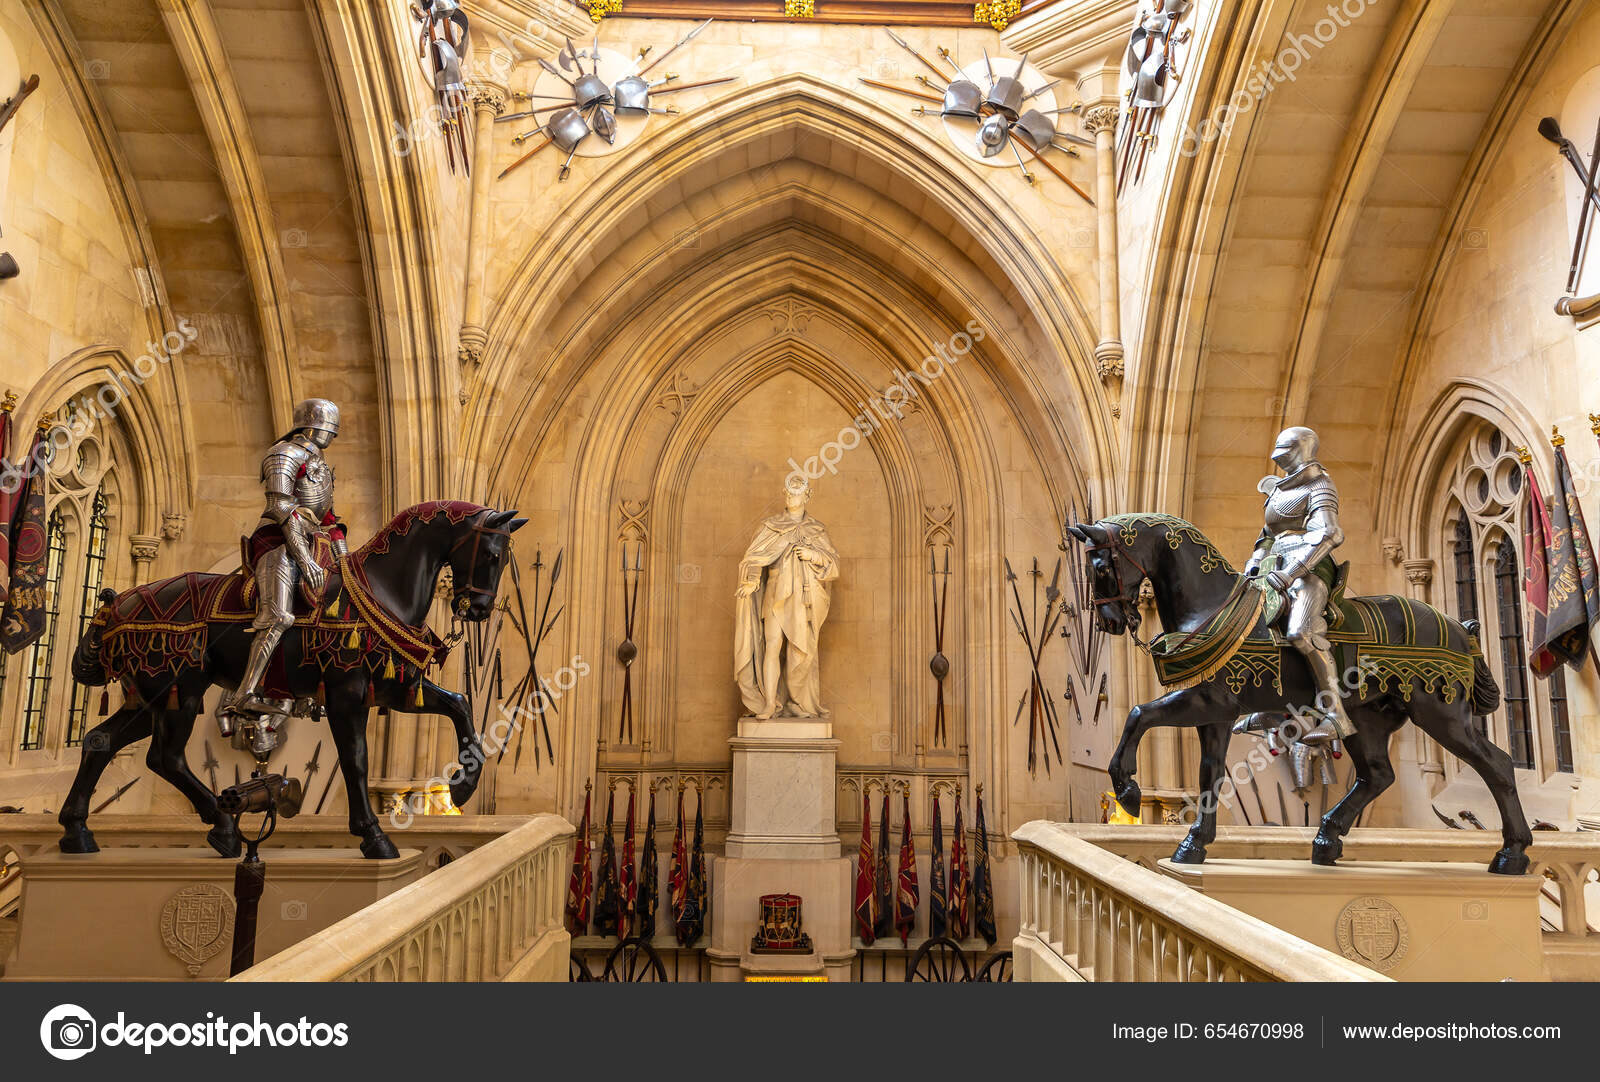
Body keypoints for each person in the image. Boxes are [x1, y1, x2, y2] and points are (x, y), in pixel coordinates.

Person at [216, 398, 345, 734]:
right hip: (277, 541)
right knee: (279, 616)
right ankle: (245, 693)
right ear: (314, 426)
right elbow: (280, 508)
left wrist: (346, 564)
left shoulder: (319, 462)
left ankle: (302, 690)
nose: (332, 436)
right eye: (330, 430)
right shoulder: (283, 454)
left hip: (314, 541)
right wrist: (303, 559)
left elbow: (330, 520)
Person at [1243, 426, 1354, 746]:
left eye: (1285, 449)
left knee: (1301, 632)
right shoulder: (1278, 491)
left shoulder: (1320, 485)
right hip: (1272, 568)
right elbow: (1267, 535)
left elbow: (1330, 534)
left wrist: (1292, 573)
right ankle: (1272, 707)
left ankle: (1336, 715)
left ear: (1301, 449)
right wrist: (1255, 560)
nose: (1278, 457)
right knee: (1251, 627)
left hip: (1311, 569)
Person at [733, 478, 840, 719]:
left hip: (802, 598)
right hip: (775, 593)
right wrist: (751, 581)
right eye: (789, 493)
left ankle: (796, 701)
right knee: (772, 645)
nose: (792, 498)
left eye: (797, 494)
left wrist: (813, 555)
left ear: (807, 496)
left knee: (798, 650)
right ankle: (770, 704)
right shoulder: (770, 526)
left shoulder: (817, 529)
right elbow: (754, 558)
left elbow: (833, 565)